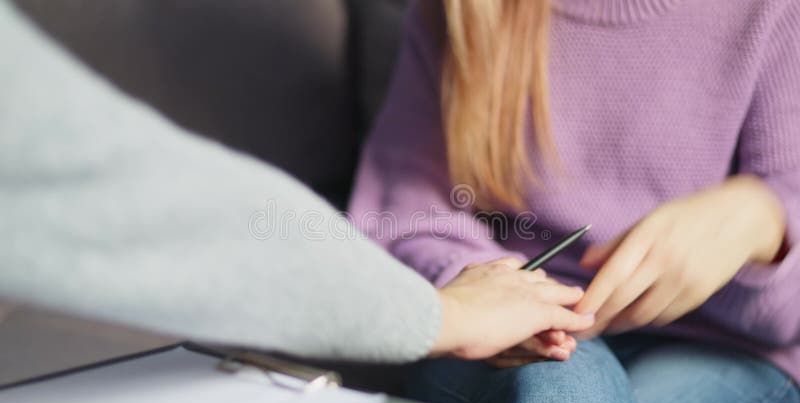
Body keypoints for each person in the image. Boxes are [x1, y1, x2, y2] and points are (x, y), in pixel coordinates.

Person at [0, 0, 594, 367]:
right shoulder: (459, 20)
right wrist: (448, 310)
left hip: (605, 325)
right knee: (558, 396)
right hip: (490, 304)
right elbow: (119, 188)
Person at [349, 0, 800, 403]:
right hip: (513, 325)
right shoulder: (465, 11)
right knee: (565, 386)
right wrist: (487, 294)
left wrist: (764, 222)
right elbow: (406, 216)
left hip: (723, 348)